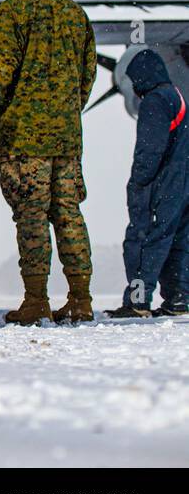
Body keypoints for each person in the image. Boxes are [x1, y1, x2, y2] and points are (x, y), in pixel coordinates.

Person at [0, 0, 96, 325]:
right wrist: (66, 111)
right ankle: (81, 298)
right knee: (69, 214)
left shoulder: (13, 13)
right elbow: (87, 75)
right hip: (67, 139)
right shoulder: (74, 13)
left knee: (31, 217)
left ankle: (36, 300)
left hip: (25, 140)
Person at [105, 49, 189, 318]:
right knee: (178, 240)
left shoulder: (155, 101)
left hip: (160, 184)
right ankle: (179, 299)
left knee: (143, 239)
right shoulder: (176, 95)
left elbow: (149, 150)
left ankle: (138, 301)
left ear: (143, 75)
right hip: (182, 182)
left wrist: (138, 183)